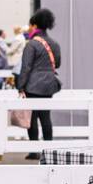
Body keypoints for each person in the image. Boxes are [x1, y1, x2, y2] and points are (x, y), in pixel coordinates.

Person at [17, 8, 61, 157]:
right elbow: (58, 63)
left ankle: (34, 151)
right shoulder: (54, 43)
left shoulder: (32, 44)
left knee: (33, 118)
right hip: (48, 85)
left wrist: (20, 86)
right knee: (46, 117)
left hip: (33, 86)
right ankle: (49, 151)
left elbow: (26, 67)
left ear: (35, 26)